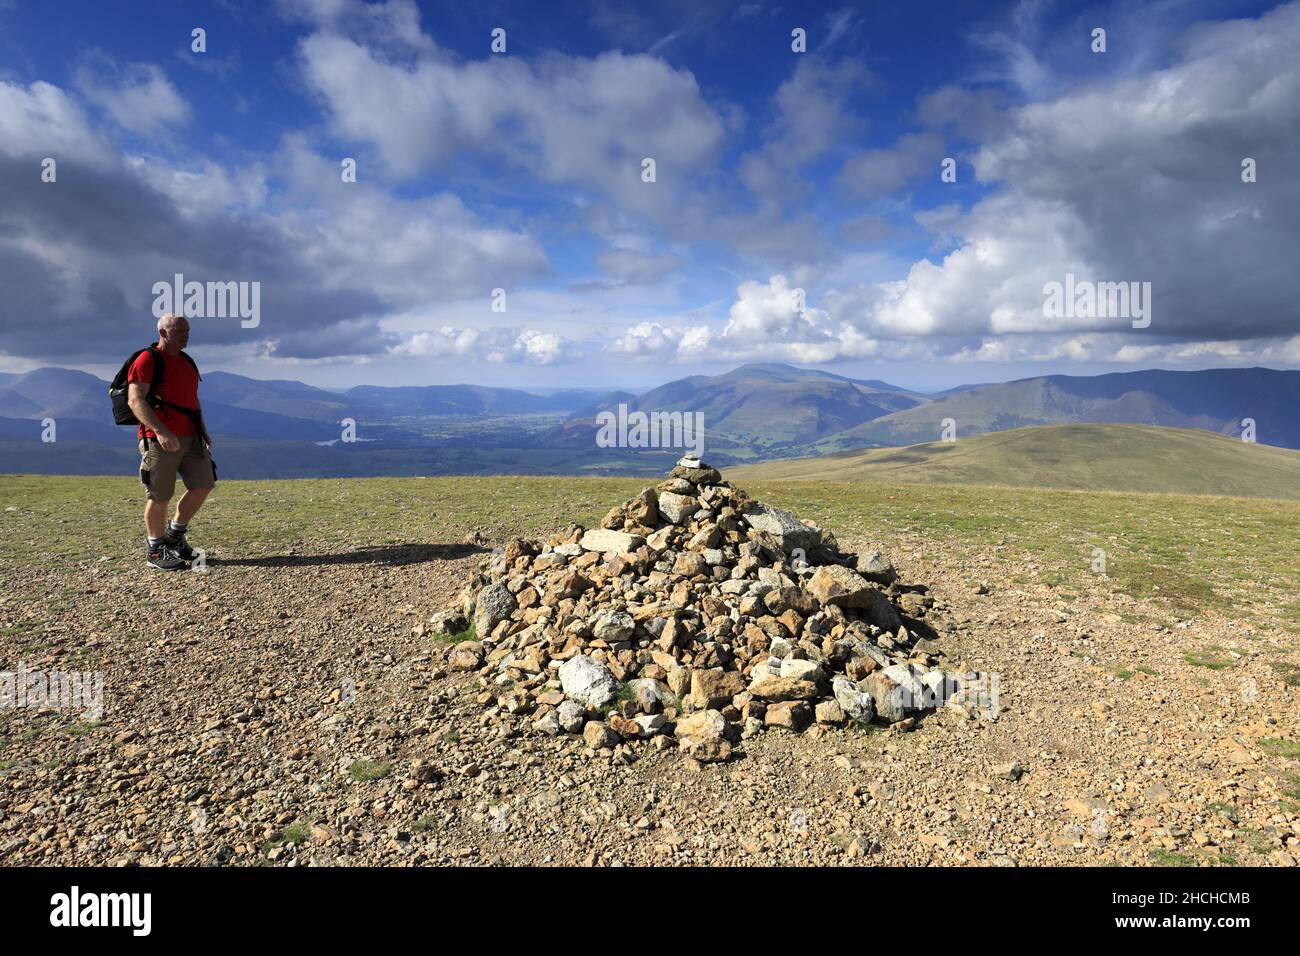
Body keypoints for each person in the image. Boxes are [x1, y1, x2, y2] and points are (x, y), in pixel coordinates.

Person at [126, 313, 215, 570]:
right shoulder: (147, 359)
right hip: (158, 439)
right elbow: (135, 400)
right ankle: (155, 551)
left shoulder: (187, 362)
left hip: (191, 435)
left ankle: (174, 535)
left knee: (203, 484)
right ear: (163, 332)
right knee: (159, 495)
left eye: (187, 331)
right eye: (179, 331)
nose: (185, 336)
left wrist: (203, 429)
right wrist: (162, 431)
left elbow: (192, 399)